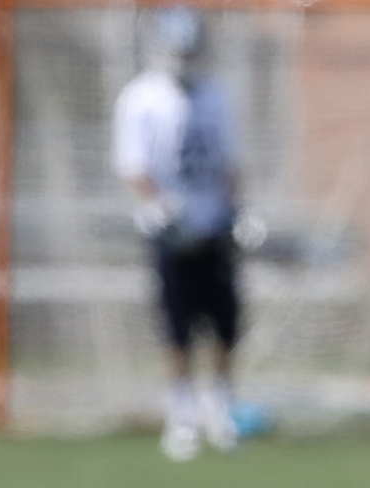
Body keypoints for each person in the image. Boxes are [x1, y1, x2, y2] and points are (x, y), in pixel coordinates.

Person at [112, 7, 244, 462]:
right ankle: (181, 416)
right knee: (176, 328)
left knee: (226, 325)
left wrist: (233, 211)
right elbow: (134, 165)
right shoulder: (142, 98)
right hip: (169, 232)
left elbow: (229, 163)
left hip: (213, 228)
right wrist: (165, 210)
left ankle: (220, 411)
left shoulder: (216, 95)